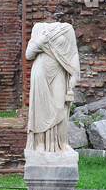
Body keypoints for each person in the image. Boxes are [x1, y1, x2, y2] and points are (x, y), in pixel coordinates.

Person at [24, 22, 80, 153]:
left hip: (59, 71)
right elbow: (28, 54)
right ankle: (40, 144)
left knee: (60, 106)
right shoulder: (37, 28)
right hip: (40, 71)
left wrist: (74, 75)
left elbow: (73, 53)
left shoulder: (67, 29)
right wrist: (40, 41)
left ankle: (61, 143)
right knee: (40, 109)